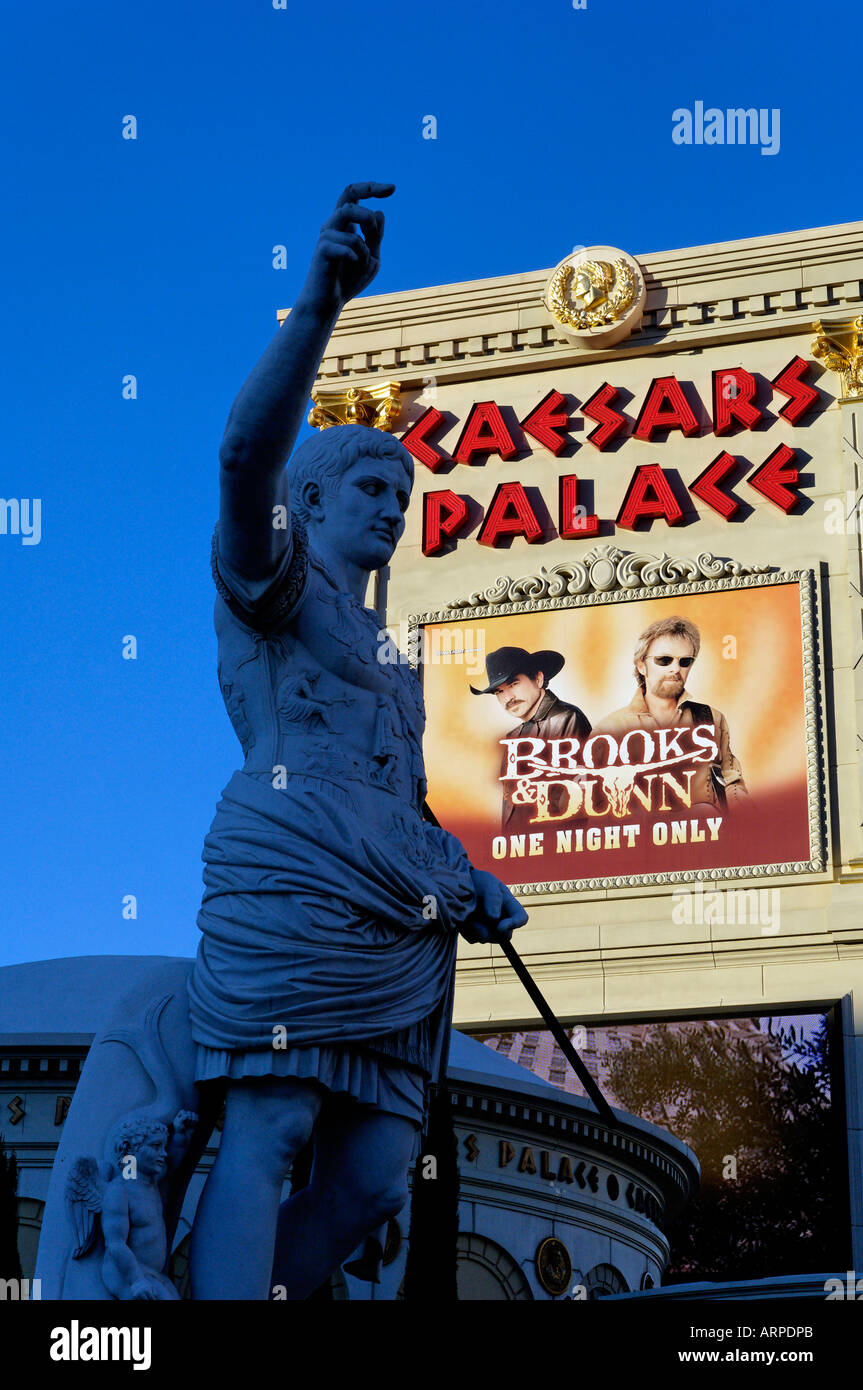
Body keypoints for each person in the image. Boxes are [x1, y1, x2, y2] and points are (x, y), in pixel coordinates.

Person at [185, 182, 526, 1301]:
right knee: (272, 1125)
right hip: (290, 872)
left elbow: (407, 797)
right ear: (313, 498)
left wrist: (464, 880)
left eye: (402, 489)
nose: (391, 504)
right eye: (368, 485)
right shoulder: (270, 586)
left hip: (398, 913)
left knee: (380, 1180)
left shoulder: (395, 652)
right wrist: (319, 305)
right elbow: (242, 457)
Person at [592, 615, 747, 809]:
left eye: (685, 662)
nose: (675, 669)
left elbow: (731, 782)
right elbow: (595, 804)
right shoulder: (609, 729)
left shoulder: (711, 719)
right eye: (664, 660)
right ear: (641, 666)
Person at [470, 645, 592, 830]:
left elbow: (572, 803)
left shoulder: (567, 718)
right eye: (499, 692)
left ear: (538, 678)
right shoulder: (512, 737)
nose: (508, 697)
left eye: (513, 684)